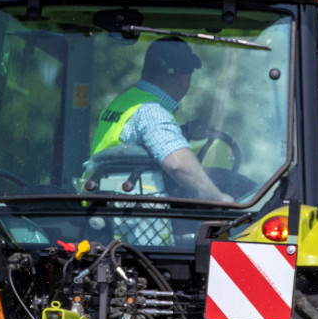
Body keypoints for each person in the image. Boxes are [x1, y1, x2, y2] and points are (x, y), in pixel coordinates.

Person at [90, 37, 233, 202]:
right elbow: (178, 164)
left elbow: (134, 142)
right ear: (183, 79)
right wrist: (218, 197)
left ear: (145, 72)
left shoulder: (123, 102)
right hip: (130, 218)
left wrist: (184, 132)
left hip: (101, 206)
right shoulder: (152, 111)